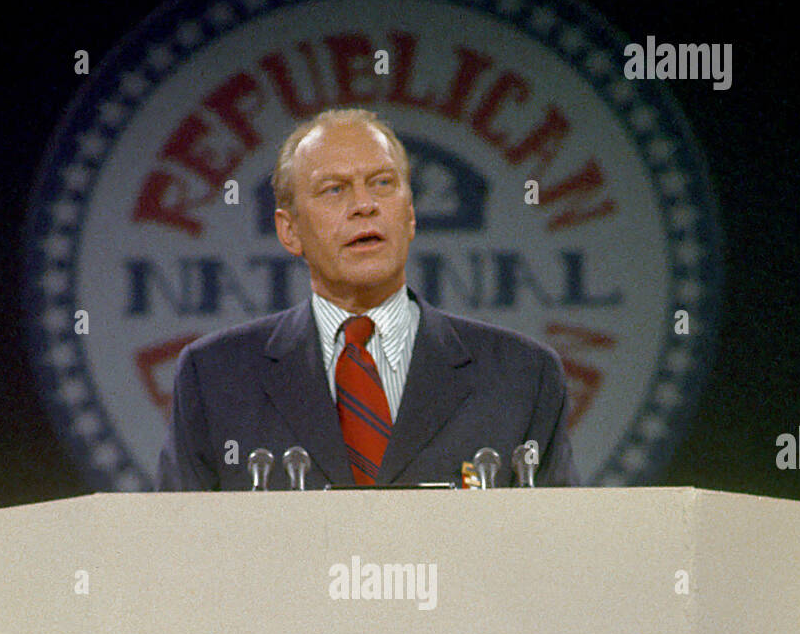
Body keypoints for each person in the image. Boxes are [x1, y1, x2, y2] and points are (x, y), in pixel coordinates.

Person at [156, 108, 579, 490]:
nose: (364, 205)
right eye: (334, 190)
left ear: (409, 214)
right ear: (290, 231)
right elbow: (176, 552)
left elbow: (561, 555)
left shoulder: (524, 375)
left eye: (382, 183)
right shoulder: (214, 378)